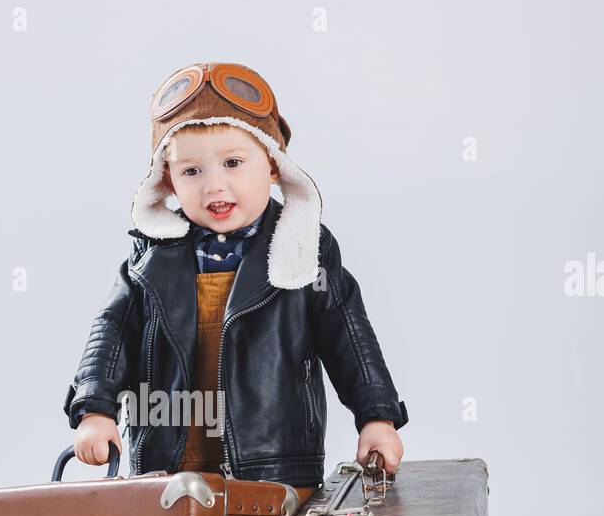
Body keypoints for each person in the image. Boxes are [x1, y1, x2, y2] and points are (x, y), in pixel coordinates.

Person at [63, 61, 407, 489]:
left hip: (274, 469)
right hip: (168, 473)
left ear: (274, 166)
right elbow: (111, 336)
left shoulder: (302, 250)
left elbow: (349, 336)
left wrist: (377, 416)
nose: (214, 186)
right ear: (167, 181)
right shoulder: (150, 259)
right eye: (192, 171)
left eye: (233, 163)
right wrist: (95, 411)